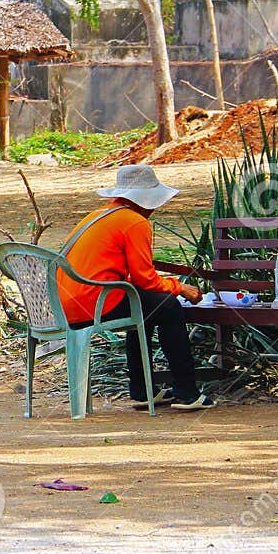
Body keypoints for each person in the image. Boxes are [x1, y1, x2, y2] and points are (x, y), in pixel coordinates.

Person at [58, 164, 215, 411]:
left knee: (145, 308)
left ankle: (143, 391)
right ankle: (187, 392)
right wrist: (180, 288)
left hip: (68, 304)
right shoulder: (134, 222)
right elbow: (145, 279)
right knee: (169, 307)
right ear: (146, 200)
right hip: (94, 303)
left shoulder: (98, 215)